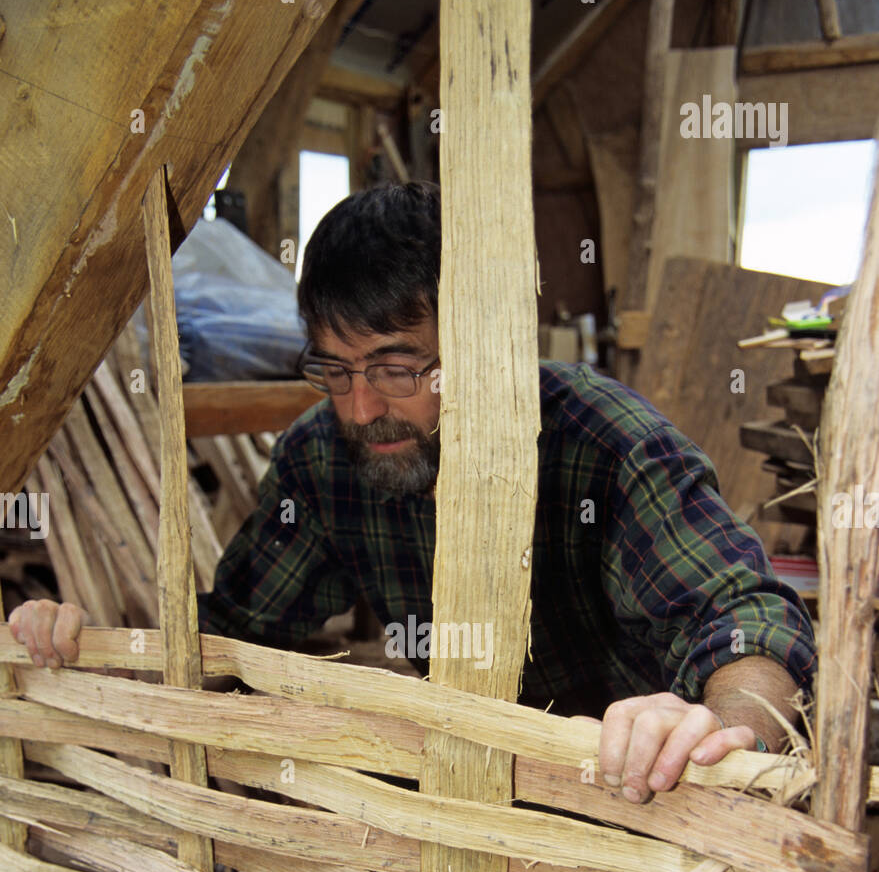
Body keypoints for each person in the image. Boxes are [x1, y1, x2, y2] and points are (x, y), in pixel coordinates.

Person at [9, 182, 816, 806]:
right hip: (467, 788)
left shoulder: (604, 442)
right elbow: (232, 640)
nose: (361, 409)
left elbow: (746, 615)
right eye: (333, 370)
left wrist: (719, 724)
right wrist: (85, 653)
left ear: (482, 345)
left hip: (639, 794)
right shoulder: (323, 458)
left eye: (398, 370)